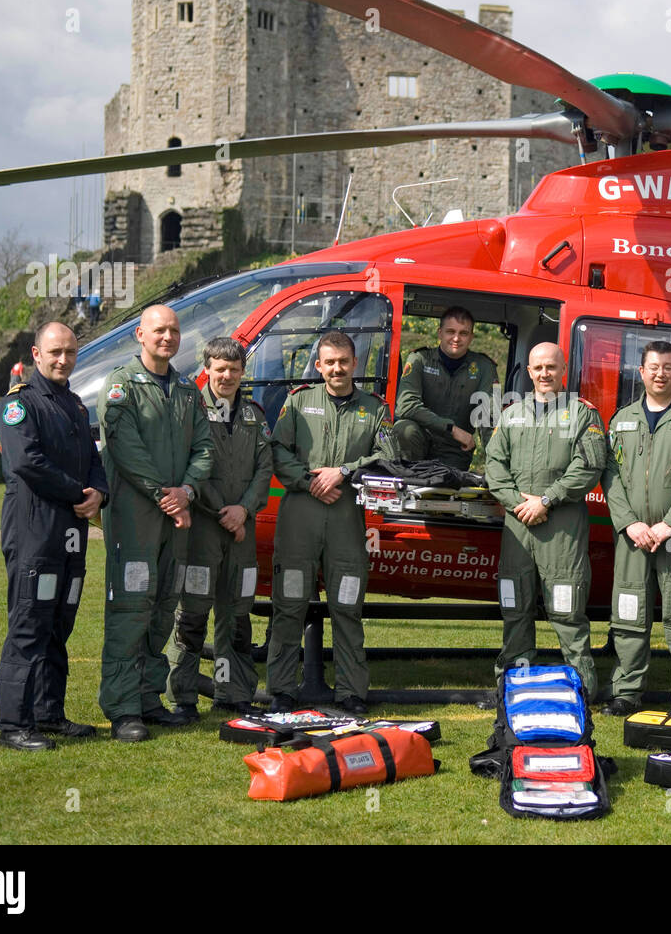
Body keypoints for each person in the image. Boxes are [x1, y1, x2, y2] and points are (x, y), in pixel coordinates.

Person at [97, 304, 213, 742]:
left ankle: (149, 698)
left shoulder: (187, 390)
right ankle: (123, 707)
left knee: (164, 605)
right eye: (158, 330)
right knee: (131, 609)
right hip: (137, 519)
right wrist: (167, 496)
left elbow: (204, 447)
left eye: (174, 330)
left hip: (176, 518)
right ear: (140, 336)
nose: (167, 337)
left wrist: (189, 491)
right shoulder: (121, 386)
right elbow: (125, 450)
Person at [267, 331, 395, 715]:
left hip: (345, 520)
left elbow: (388, 455)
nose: (337, 368)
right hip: (299, 519)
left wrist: (342, 472)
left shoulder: (375, 410)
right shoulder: (299, 401)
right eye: (329, 362)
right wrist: (311, 483)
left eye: (343, 361)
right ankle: (282, 689)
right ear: (318, 365)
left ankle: (352, 692)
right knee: (289, 604)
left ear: (355, 364)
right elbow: (278, 451)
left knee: (347, 605)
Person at [0, 322, 108, 750]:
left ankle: (49, 714)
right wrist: (77, 492)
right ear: (36, 354)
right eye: (55, 352)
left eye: (70, 352)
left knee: (59, 624)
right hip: (35, 534)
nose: (63, 360)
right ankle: (14, 725)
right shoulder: (20, 406)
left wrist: (100, 492)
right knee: (29, 623)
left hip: (71, 533)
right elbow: (27, 462)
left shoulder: (77, 407)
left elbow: (93, 460)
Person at [601, 341, 671, 717]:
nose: (660, 373)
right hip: (633, 538)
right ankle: (626, 691)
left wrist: (670, 524)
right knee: (629, 616)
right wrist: (629, 523)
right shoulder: (621, 420)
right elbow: (610, 476)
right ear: (641, 371)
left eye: (668, 367)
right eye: (653, 366)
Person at [484, 342, 606, 696]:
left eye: (551, 367)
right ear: (530, 372)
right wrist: (518, 504)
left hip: (561, 526)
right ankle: (512, 687)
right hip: (517, 524)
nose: (544, 374)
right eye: (537, 368)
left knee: (567, 610)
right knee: (515, 605)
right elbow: (494, 465)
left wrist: (547, 501)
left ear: (563, 370)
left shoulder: (582, 414)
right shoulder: (512, 415)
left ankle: (581, 690)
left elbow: (589, 466)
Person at [165, 338, 272, 720]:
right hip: (203, 533)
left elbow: (264, 469)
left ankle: (234, 693)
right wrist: (222, 513)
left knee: (238, 617)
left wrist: (243, 511)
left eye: (234, 369)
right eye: (220, 368)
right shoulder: (190, 411)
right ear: (206, 369)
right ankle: (184, 697)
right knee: (192, 618)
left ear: (244, 372)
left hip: (241, 534)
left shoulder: (255, 416)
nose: (227, 376)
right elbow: (191, 467)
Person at [393, 306, 498, 471]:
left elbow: (489, 418)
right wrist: (451, 428)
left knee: (446, 488)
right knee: (404, 429)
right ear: (439, 333)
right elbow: (406, 405)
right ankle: (404, 473)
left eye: (463, 333)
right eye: (450, 331)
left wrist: (497, 464)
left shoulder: (485, 367)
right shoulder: (419, 359)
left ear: (471, 337)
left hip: (456, 449)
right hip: (419, 440)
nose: (456, 338)